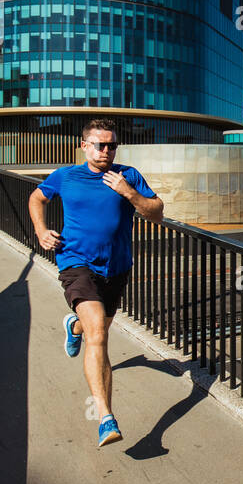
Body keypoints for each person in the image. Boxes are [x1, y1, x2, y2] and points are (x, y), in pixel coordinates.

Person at [28, 119, 164, 447]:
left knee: (94, 327)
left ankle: (74, 326)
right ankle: (105, 417)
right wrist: (41, 231)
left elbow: (157, 213)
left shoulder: (127, 175)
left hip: (116, 268)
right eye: (100, 145)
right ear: (84, 146)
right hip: (76, 263)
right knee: (99, 336)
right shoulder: (65, 176)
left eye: (112, 145)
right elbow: (36, 198)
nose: (106, 151)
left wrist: (128, 193)